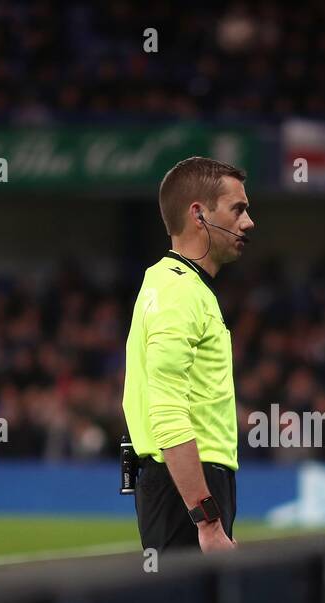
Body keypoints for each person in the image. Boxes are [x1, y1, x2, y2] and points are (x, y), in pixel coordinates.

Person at [122, 157, 254, 553]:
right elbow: (167, 410)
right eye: (238, 209)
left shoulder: (171, 285)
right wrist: (207, 519)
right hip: (186, 489)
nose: (249, 223)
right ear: (199, 214)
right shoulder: (178, 293)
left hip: (187, 486)